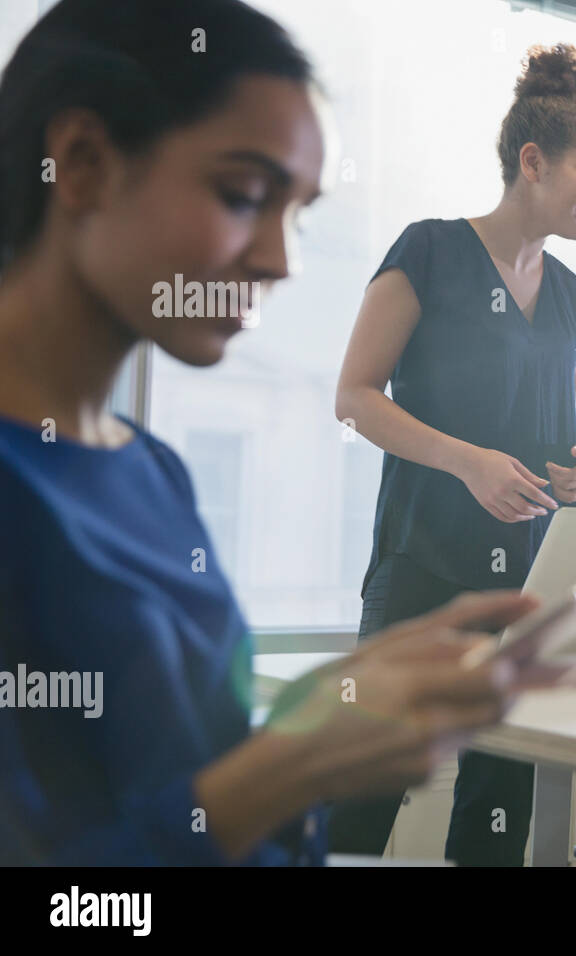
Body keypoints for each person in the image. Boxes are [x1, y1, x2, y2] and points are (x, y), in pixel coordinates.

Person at [0, 0, 544, 865]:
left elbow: (184, 786)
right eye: (244, 195)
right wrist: (297, 762)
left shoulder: (152, 472)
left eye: (296, 213)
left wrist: (333, 707)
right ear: (82, 163)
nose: (281, 261)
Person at [333, 44, 576, 864]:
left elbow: (546, 419)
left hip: (525, 585)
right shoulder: (428, 252)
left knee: (500, 798)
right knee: (364, 783)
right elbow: (355, 396)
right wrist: (468, 461)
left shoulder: (570, 295)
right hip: (420, 565)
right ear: (533, 163)